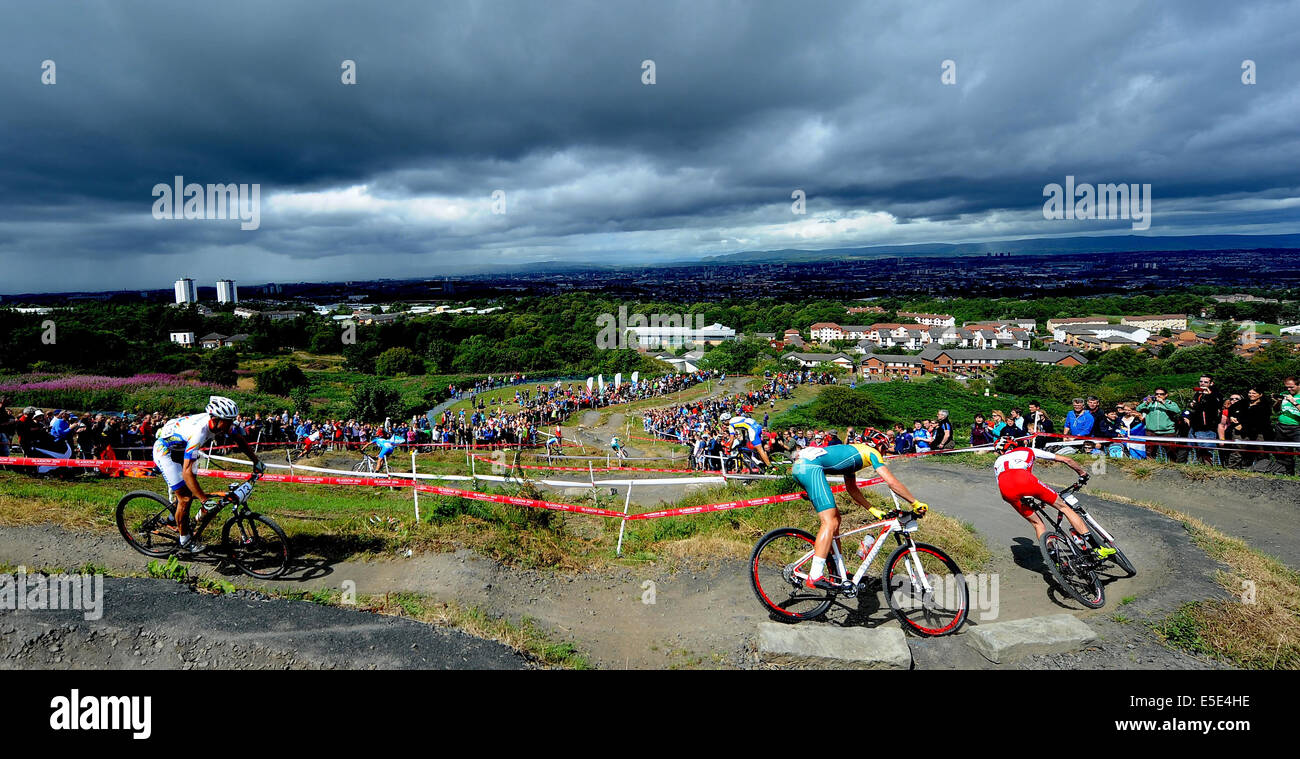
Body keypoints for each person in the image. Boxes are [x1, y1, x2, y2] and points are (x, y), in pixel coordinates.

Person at [791, 429, 929, 591]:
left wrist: (873, 510)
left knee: (836, 520)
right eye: (884, 449)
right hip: (810, 468)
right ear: (880, 447)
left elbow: (852, 489)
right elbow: (891, 482)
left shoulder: (852, 453)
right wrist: (915, 502)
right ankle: (815, 575)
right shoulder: (871, 453)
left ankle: (838, 571)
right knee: (830, 521)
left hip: (801, 467)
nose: (884, 454)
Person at [153, 396, 265, 553]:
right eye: (228, 421)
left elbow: (238, 438)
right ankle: (185, 541)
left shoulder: (221, 424)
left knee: (189, 492)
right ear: (216, 419)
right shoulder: (198, 432)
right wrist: (204, 500)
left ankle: (173, 519)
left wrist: (256, 461)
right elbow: (186, 473)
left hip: (181, 447)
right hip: (165, 451)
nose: (231, 424)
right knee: (185, 497)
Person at [992, 432, 1115, 561]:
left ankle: (1053, 559)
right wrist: (1082, 473)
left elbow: (1004, 484)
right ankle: (1098, 548)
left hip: (1006, 490)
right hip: (1025, 480)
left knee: (1037, 524)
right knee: (1064, 508)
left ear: (1000, 451)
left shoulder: (997, 462)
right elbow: (1066, 459)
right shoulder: (1027, 450)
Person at [1186, 375, 1223, 466]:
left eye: (1205, 382)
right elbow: (1191, 405)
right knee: (1193, 451)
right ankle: (1195, 468)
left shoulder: (1216, 394)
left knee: (1207, 453)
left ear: (1211, 383)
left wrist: (1208, 396)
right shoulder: (1198, 393)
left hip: (1207, 428)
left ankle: (1209, 470)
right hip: (1194, 426)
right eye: (1201, 381)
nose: (1202, 383)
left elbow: (1214, 406)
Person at [1137, 388, 1181, 463]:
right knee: (1150, 451)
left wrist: (1163, 403)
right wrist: (1146, 403)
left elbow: (1177, 410)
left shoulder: (1170, 403)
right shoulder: (1150, 404)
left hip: (1167, 431)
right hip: (1151, 431)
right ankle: (1151, 465)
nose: (1159, 396)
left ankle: (1173, 466)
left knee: (1171, 451)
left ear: (1166, 395)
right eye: (1157, 394)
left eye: (1161, 394)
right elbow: (1138, 409)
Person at [1273, 377, 1300, 476]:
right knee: (1282, 451)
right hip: (1281, 426)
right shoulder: (1284, 394)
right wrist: (1278, 401)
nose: (1289, 389)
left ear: (1298, 385)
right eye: (1287, 387)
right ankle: (1286, 472)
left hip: (1297, 427)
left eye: (1291, 387)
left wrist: (1294, 402)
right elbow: (1275, 410)